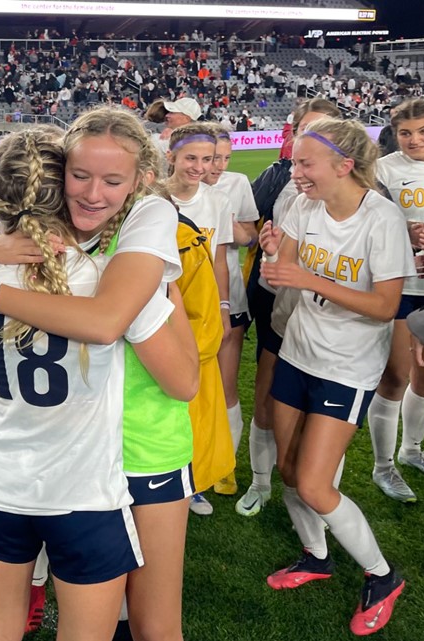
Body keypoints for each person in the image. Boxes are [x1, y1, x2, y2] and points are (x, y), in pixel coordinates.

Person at [0, 127, 198, 641]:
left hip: (0, 482)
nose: (93, 193)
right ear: (60, 186)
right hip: (85, 490)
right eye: (80, 176)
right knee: (142, 624)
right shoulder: (108, 277)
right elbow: (181, 378)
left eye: (110, 180)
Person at [258, 117, 411, 636]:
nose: (295, 172)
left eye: (305, 163)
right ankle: (316, 556)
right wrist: (274, 254)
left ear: (344, 166)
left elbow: (385, 306)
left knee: (314, 483)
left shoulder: (381, 218)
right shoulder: (304, 206)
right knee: (287, 470)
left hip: (346, 368)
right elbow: (282, 274)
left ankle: (383, 575)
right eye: (294, 162)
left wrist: (307, 277)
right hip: (298, 351)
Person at [237, 98, 342, 518]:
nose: (314, 140)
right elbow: (249, 225)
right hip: (277, 298)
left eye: (324, 130)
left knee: (324, 409)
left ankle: (318, 488)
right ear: (293, 133)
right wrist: (264, 245)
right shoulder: (280, 176)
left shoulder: (364, 192)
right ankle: (260, 482)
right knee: (268, 391)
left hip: (336, 315)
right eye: (306, 131)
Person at [366, 98, 424, 502]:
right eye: (406, 133)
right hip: (401, 284)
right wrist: (402, 230)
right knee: (394, 376)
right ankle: (383, 466)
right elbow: (367, 223)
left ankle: (411, 451)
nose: (415, 140)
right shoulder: (383, 170)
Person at [164, 123, 236, 515]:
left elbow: (219, 260)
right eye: (191, 158)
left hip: (200, 314)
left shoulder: (217, 201)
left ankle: (193, 478)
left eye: (207, 159)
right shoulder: (152, 196)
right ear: (171, 156)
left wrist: (223, 308)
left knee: (198, 397)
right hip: (161, 309)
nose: (200, 167)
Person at [203, 126, 260, 498]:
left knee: (225, 385)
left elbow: (251, 236)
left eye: (225, 157)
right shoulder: (171, 191)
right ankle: (194, 464)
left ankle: (224, 466)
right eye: (213, 158)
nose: (219, 165)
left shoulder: (237, 183)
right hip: (183, 302)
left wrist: (239, 232)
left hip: (229, 300)